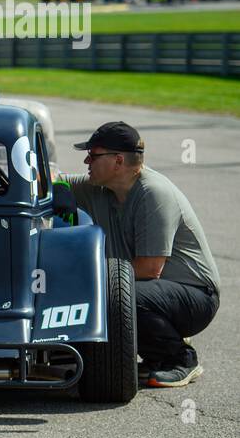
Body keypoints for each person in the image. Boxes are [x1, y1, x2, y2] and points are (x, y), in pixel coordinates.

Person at [65, 122, 220, 387]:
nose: (86, 160)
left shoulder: (153, 194)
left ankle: (180, 358)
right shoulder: (100, 187)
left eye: (93, 154)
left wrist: (86, 278)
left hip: (196, 295)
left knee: (118, 296)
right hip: (157, 291)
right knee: (113, 292)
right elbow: (56, 181)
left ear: (118, 161)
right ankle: (154, 357)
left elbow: (150, 269)